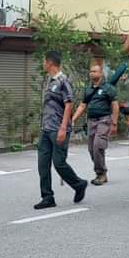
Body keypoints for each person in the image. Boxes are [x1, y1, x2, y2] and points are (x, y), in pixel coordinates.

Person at [34, 51, 88, 209]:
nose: (43, 64)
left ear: (50, 63)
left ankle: (79, 185)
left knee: (59, 163)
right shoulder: (49, 81)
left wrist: (63, 128)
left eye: (44, 61)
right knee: (42, 164)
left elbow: (69, 104)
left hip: (58, 128)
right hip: (46, 128)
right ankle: (47, 197)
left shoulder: (63, 81)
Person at [73, 64, 120, 186]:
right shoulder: (88, 89)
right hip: (91, 121)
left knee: (98, 146)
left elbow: (115, 105)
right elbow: (83, 105)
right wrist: (73, 119)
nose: (92, 73)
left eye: (95, 71)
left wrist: (114, 123)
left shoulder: (108, 88)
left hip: (104, 120)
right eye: (91, 71)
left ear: (101, 73)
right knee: (91, 149)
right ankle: (101, 171)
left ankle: (101, 174)